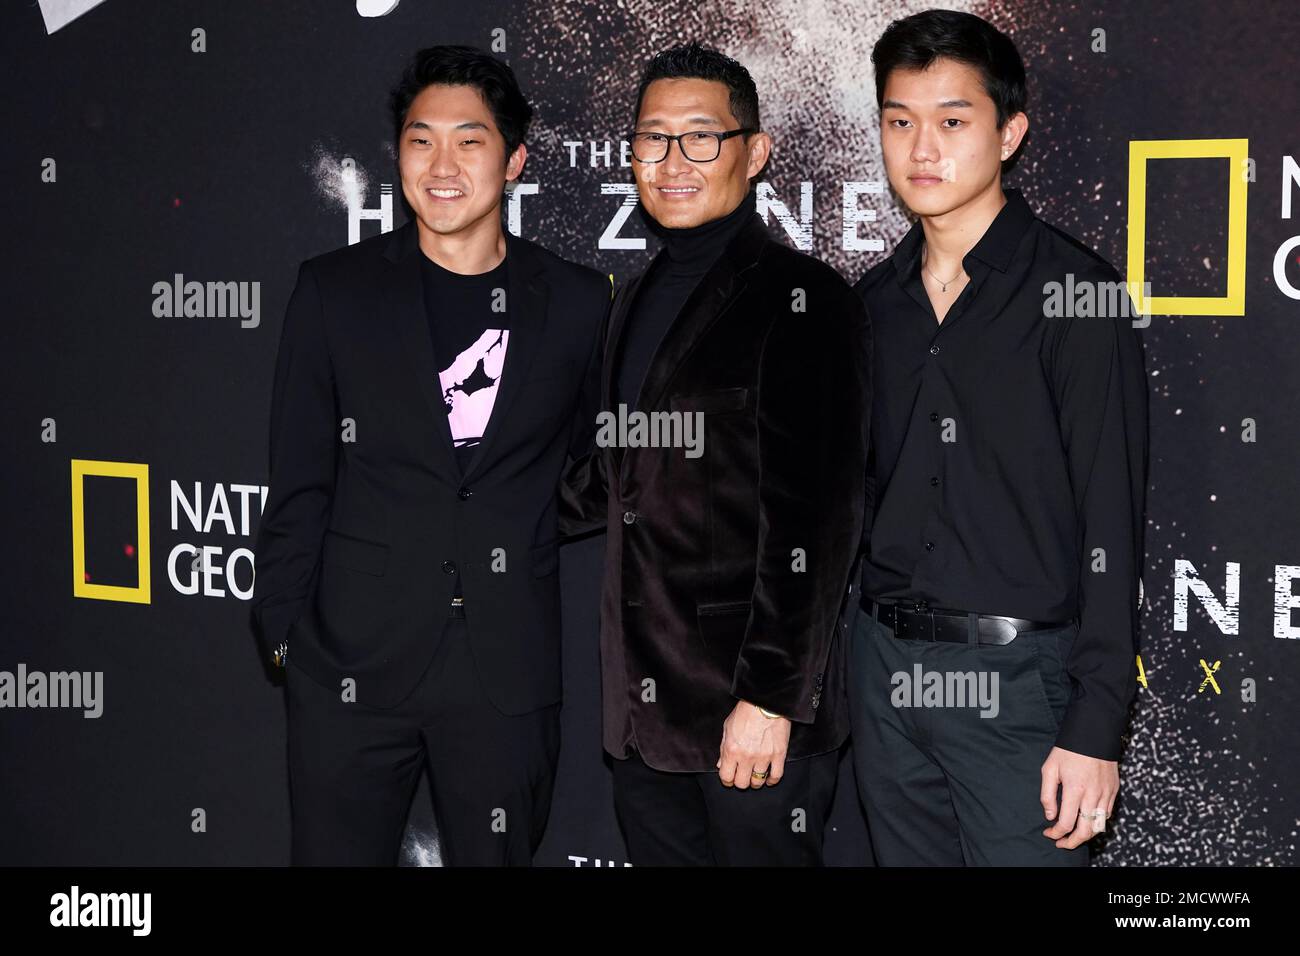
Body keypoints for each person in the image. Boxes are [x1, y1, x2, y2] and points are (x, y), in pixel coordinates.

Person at [250, 45, 608, 865]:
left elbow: (593, 464)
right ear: (399, 153)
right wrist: (285, 642)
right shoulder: (333, 291)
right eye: (421, 140)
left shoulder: (580, 300)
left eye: (470, 141)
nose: (442, 164)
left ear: (514, 160)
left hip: (505, 673)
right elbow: (299, 481)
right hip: (350, 670)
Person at [849, 9, 1148, 865]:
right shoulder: (872, 305)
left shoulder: (1078, 295)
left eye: (952, 121)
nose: (922, 149)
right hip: (883, 670)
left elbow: (1112, 525)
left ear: (1009, 132)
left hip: (1016, 687)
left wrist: (1095, 730)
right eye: (899, 121)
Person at [561, 42, 870, 866]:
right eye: (653, 139)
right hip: (641, 717)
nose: (672, 162)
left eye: (701, 137)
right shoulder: (630, 299)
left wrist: (770, 698)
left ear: (754, 151)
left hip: (750, 717)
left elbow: (820, 518)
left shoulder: (802, 300)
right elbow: (614, 478)